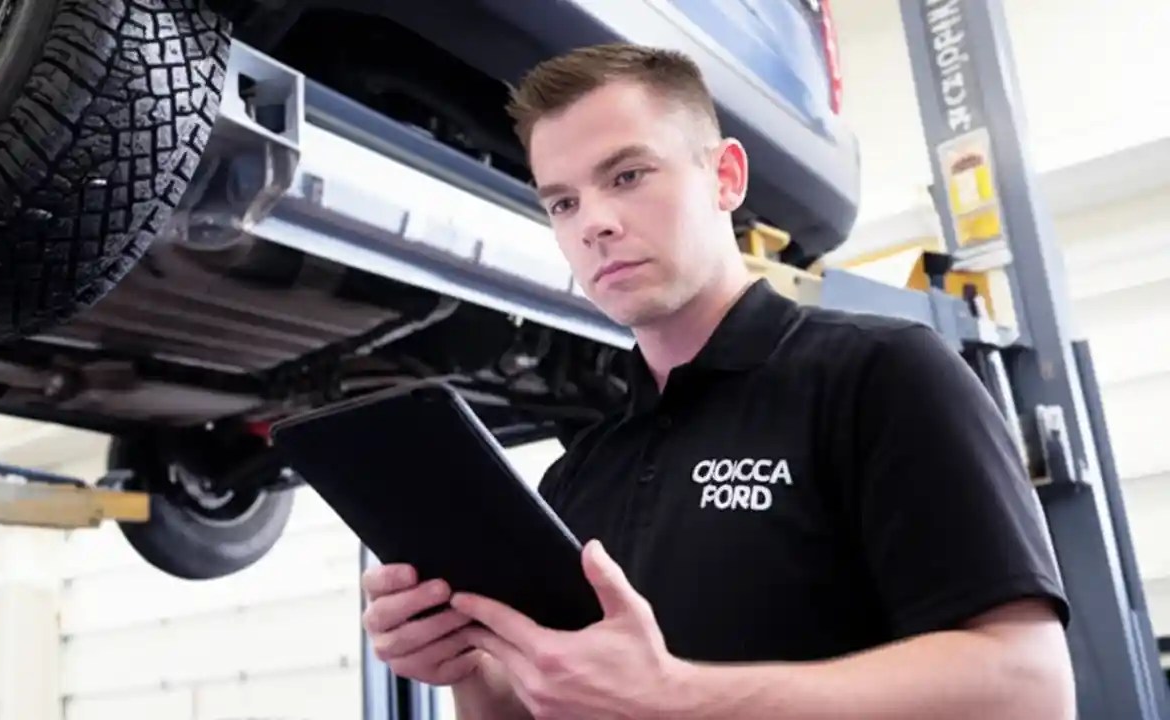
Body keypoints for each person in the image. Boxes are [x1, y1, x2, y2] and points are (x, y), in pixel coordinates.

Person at [360, 42, 1075, 719]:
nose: (594, 224)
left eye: (628, 176)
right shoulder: (575, 479)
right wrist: (471, 667)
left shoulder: (880, 375)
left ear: (726, 177)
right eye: (563, 203)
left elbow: (1030, 689)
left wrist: (677, 696)